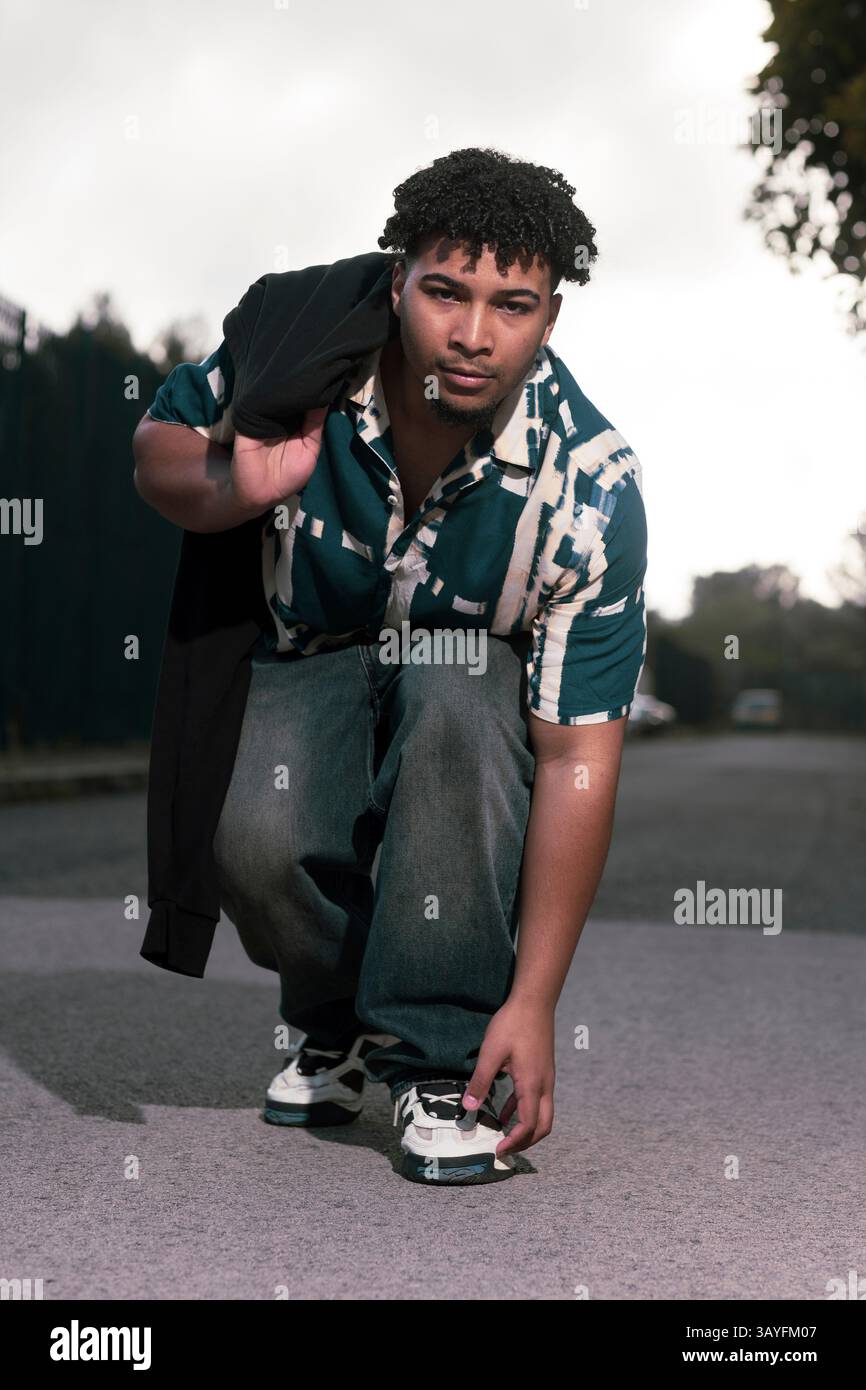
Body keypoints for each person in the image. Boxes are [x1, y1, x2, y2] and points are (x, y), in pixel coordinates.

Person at [133, 146, 648, 1186]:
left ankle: (439, 1053)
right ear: (396, 277)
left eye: (514, 304)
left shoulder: (588, 492)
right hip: (302, 663)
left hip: (463, 692)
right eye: (446, 292)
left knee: (455, 684)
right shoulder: (301, 351)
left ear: (551, 320)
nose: (472, 334)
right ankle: (340, 1018)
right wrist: (238, 477)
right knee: (251, 839)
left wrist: (534, 999)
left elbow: (579, 758)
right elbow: (157, 449)